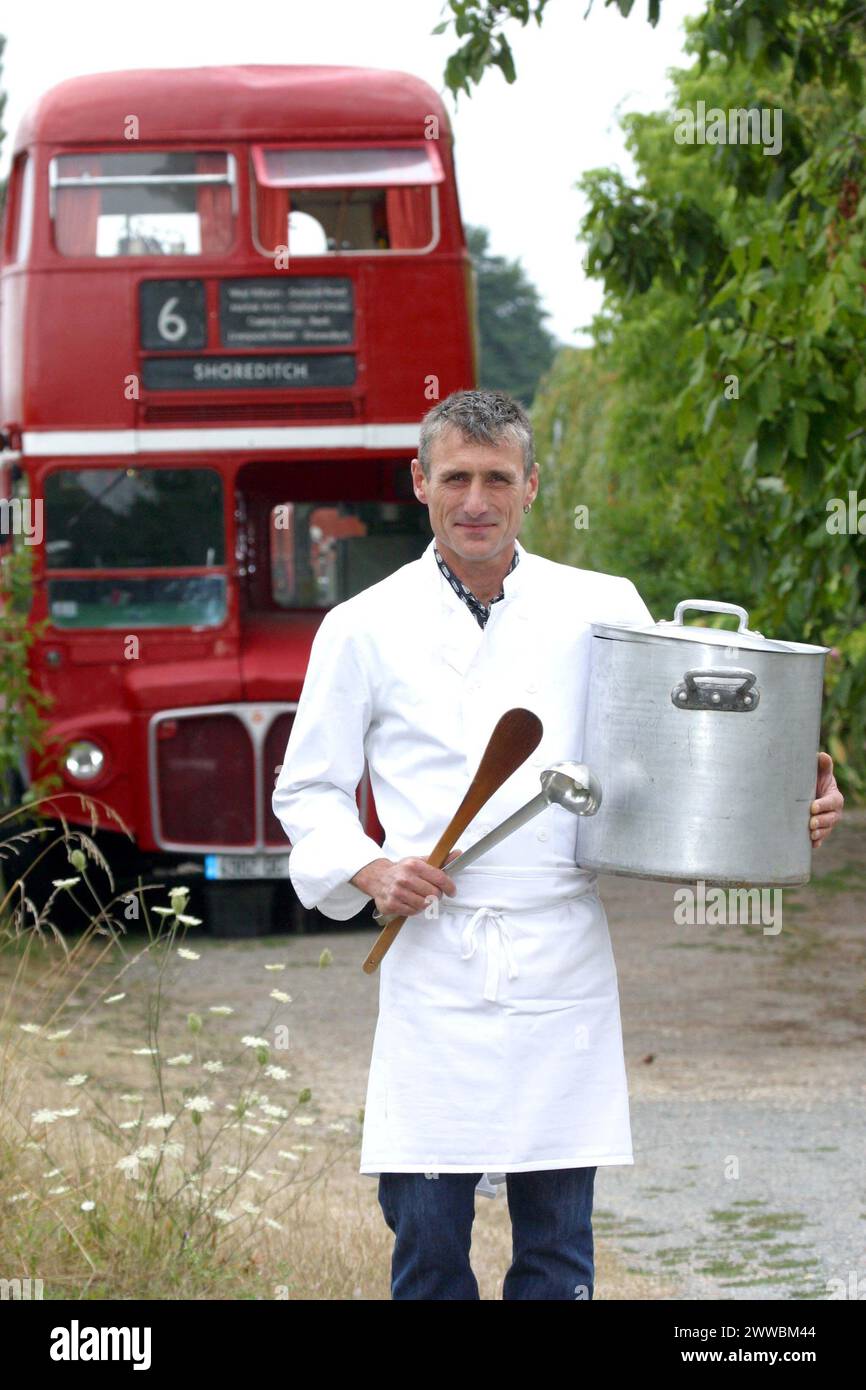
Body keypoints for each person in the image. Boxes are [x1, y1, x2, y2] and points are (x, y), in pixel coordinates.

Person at [271, 389, 844, 1301]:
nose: (476, 501)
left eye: (498, 478)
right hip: (436, 958)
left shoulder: (602, 606)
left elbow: (685, 749)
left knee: (558, 1245)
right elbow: (307, 791)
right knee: (425, 1237)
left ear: (532, 486)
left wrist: (787, 802)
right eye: (455, 477)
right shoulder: (361, 626)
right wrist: (371, 866)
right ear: (420, 482)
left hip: (558, 955)